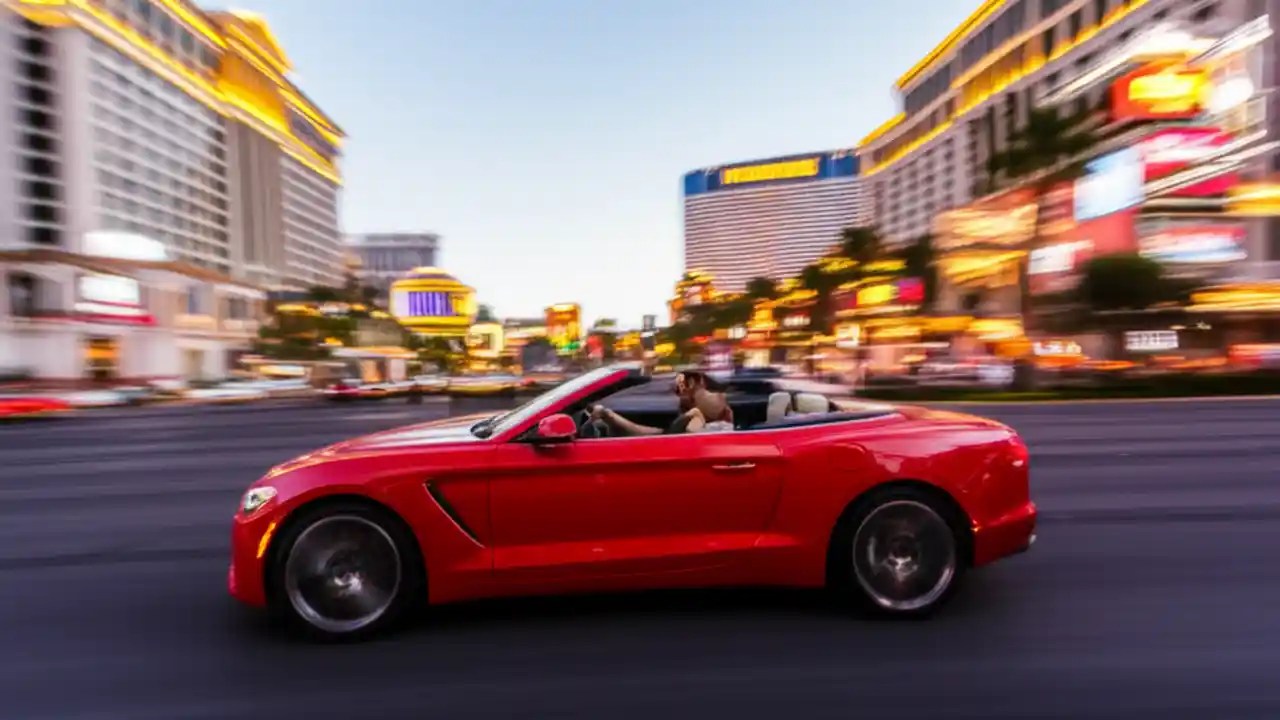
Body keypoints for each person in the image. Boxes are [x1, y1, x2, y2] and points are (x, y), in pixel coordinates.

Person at [590, 370, 734, 436]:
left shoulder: (724, 430)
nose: (700, 390)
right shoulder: (690, 423)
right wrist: (609, 415)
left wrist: (695, 416)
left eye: (708, 390)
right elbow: (644, 432)